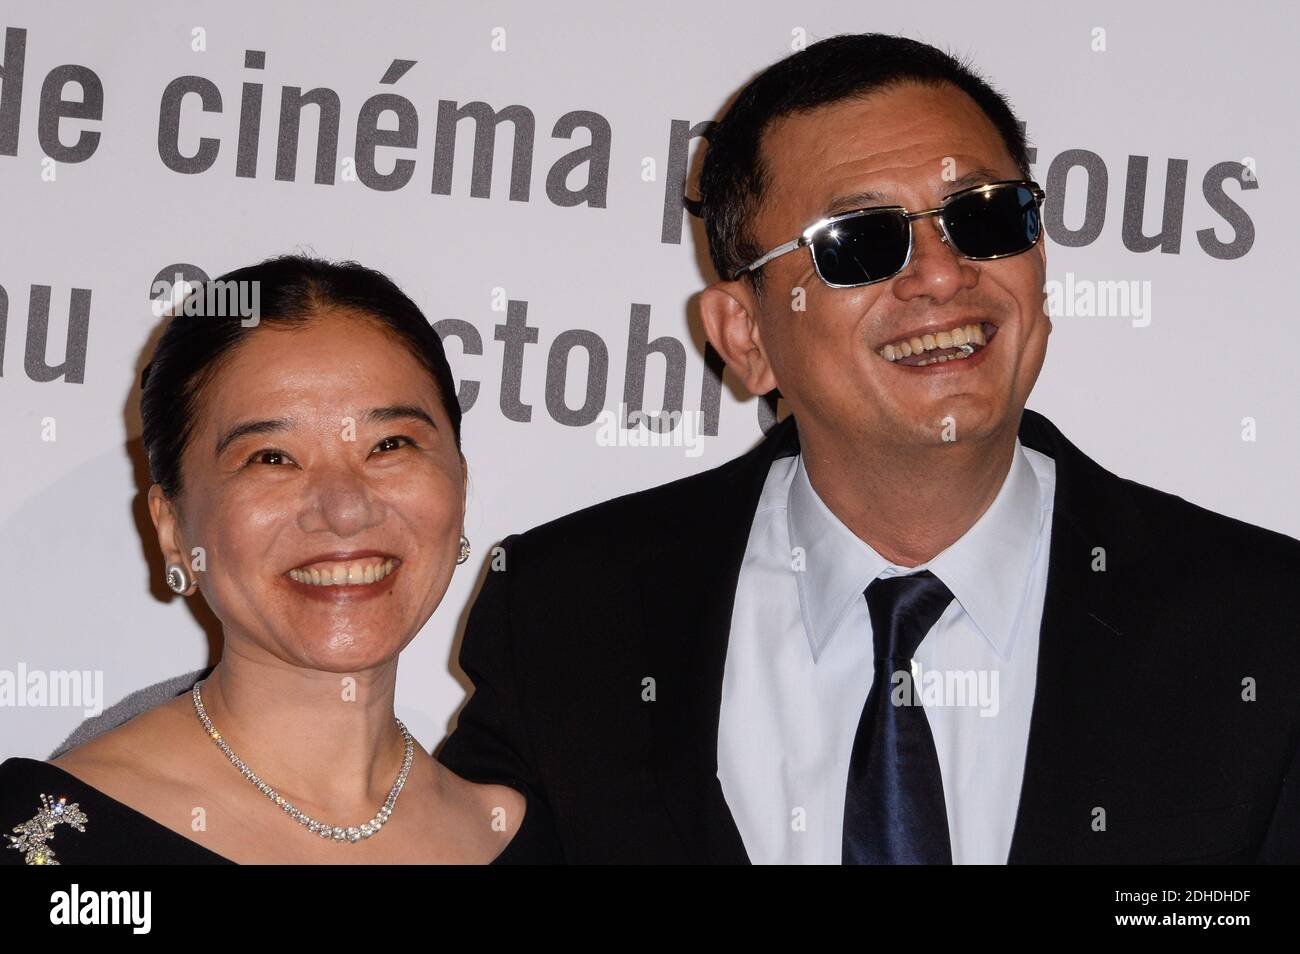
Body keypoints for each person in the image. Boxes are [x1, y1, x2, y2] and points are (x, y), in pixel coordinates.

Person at [437, 34, 1300, 862]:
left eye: (985, 216)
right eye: (860, 243)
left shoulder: (1264, 629)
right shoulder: (566, 619)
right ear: (745, 336)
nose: (941, 273)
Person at [1, 256, 560, 864]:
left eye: (390, 445)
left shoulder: (521, 837)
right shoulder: (56, 840)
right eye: (271, 457)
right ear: (171, 527)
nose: (345, 510)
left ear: (459, 481)